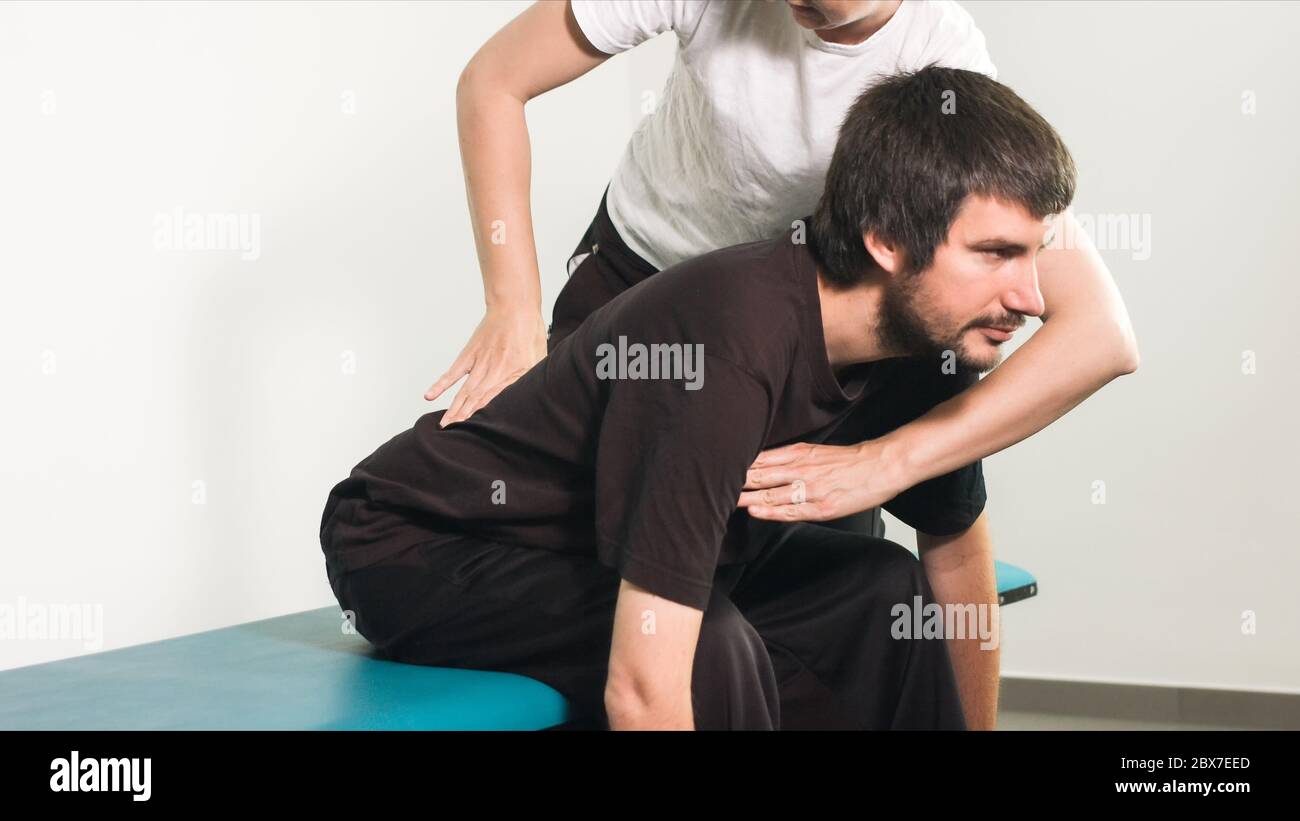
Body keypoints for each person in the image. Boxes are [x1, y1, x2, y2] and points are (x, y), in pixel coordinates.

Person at [321, 65, 1116, 730]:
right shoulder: (724, 343)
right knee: (706, 644)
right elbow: (643, 686)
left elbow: (953, 554)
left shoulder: (926, 346)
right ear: (887, 240)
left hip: (599, 551)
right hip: (420, 543)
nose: (1035, 297)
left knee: (885, 593)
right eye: (996, 254)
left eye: (1037, 254)